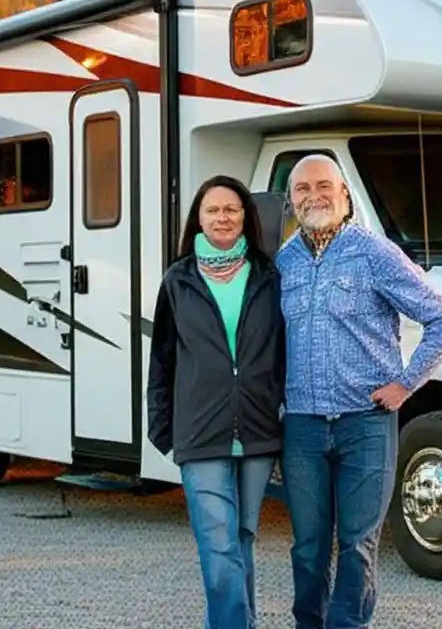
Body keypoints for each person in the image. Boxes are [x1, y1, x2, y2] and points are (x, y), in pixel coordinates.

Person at [276, 154, 442, 628]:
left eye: (323, 186)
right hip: (302, 426)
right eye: (302, 189)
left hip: (366, 423)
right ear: (291, 201)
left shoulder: (375, 254)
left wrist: (406, 384)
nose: (313, 196)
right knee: (308, 545)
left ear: (344, 195)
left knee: (358, 542)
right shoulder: (283, 263)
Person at [146, 174, 286, 629]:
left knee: (242, 538)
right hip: (200, 432)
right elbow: (162, 359)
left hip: (259, 430)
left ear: (246, 216)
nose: (222, 218)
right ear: (198, 220)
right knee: (218, 543)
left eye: (231, 209)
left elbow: (283, 353)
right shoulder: (178, 280)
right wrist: (162, 427)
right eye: (213, 210)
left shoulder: (269, 277)